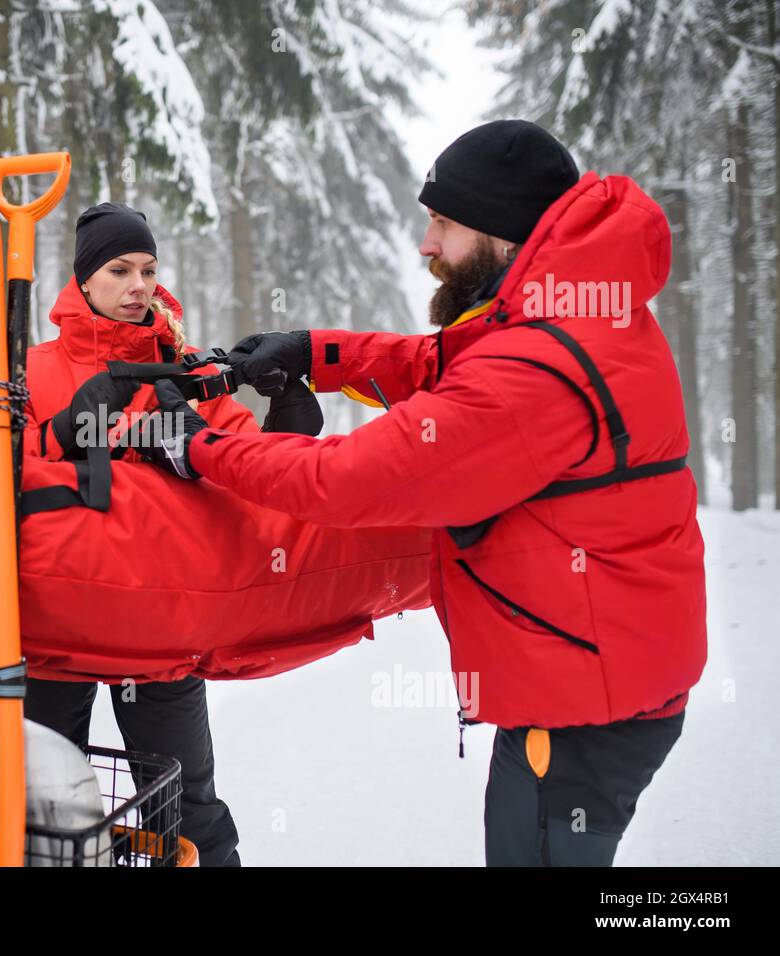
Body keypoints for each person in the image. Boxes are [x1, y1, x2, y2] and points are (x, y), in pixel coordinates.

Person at [141, 120, 707, 866]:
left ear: (503, 234)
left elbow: (345, 479)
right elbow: (445, 363)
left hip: (581, 710)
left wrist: (204, 447)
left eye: (443, 223)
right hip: (601, 676)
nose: (427, 244)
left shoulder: (537, 369)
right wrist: (318, 353)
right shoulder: (570, 315)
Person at [18, 201, 259, 866]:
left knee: (184, 810)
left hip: (159, 618)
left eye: (149, 270)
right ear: (84, 281)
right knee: (45, 804)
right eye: (120, 269)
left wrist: (289, 430)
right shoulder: (33, 369)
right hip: (55, 616)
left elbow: (247, 459)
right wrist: (63, 432)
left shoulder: (182, 367)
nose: (139, 285)